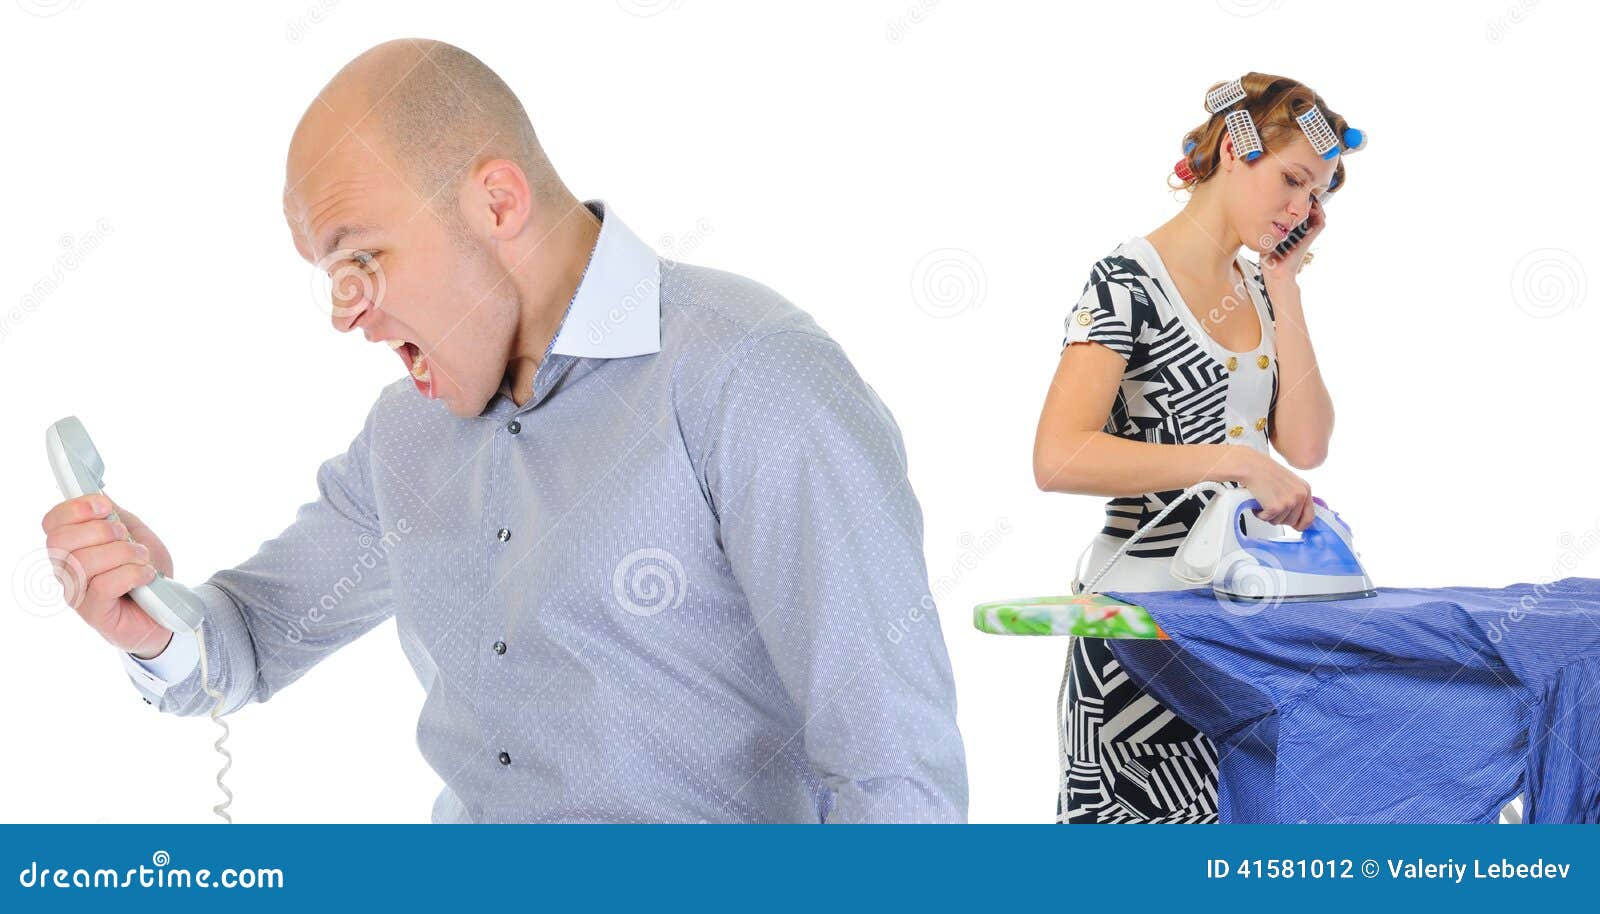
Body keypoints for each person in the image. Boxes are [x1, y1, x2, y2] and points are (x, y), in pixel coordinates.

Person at [38, 39, 966, 824]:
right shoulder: (401, 438)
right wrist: (145, 615)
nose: (344, 313)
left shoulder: (751, 375)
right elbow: (243, 644)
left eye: (360, 257)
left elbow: (897, 783)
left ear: (496, 203)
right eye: (329, 273)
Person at [1032, 72, 1351, 823]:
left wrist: (1285, 288)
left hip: (1237, 645)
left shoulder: (1258, 288)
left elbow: (1305, 446)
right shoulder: (1126, 283)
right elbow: (1058, 457)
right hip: (1136, 641)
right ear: (1236, 151)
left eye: (1319, 197)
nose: (1303, 209)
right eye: (1294, 180)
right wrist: (1236, 459)